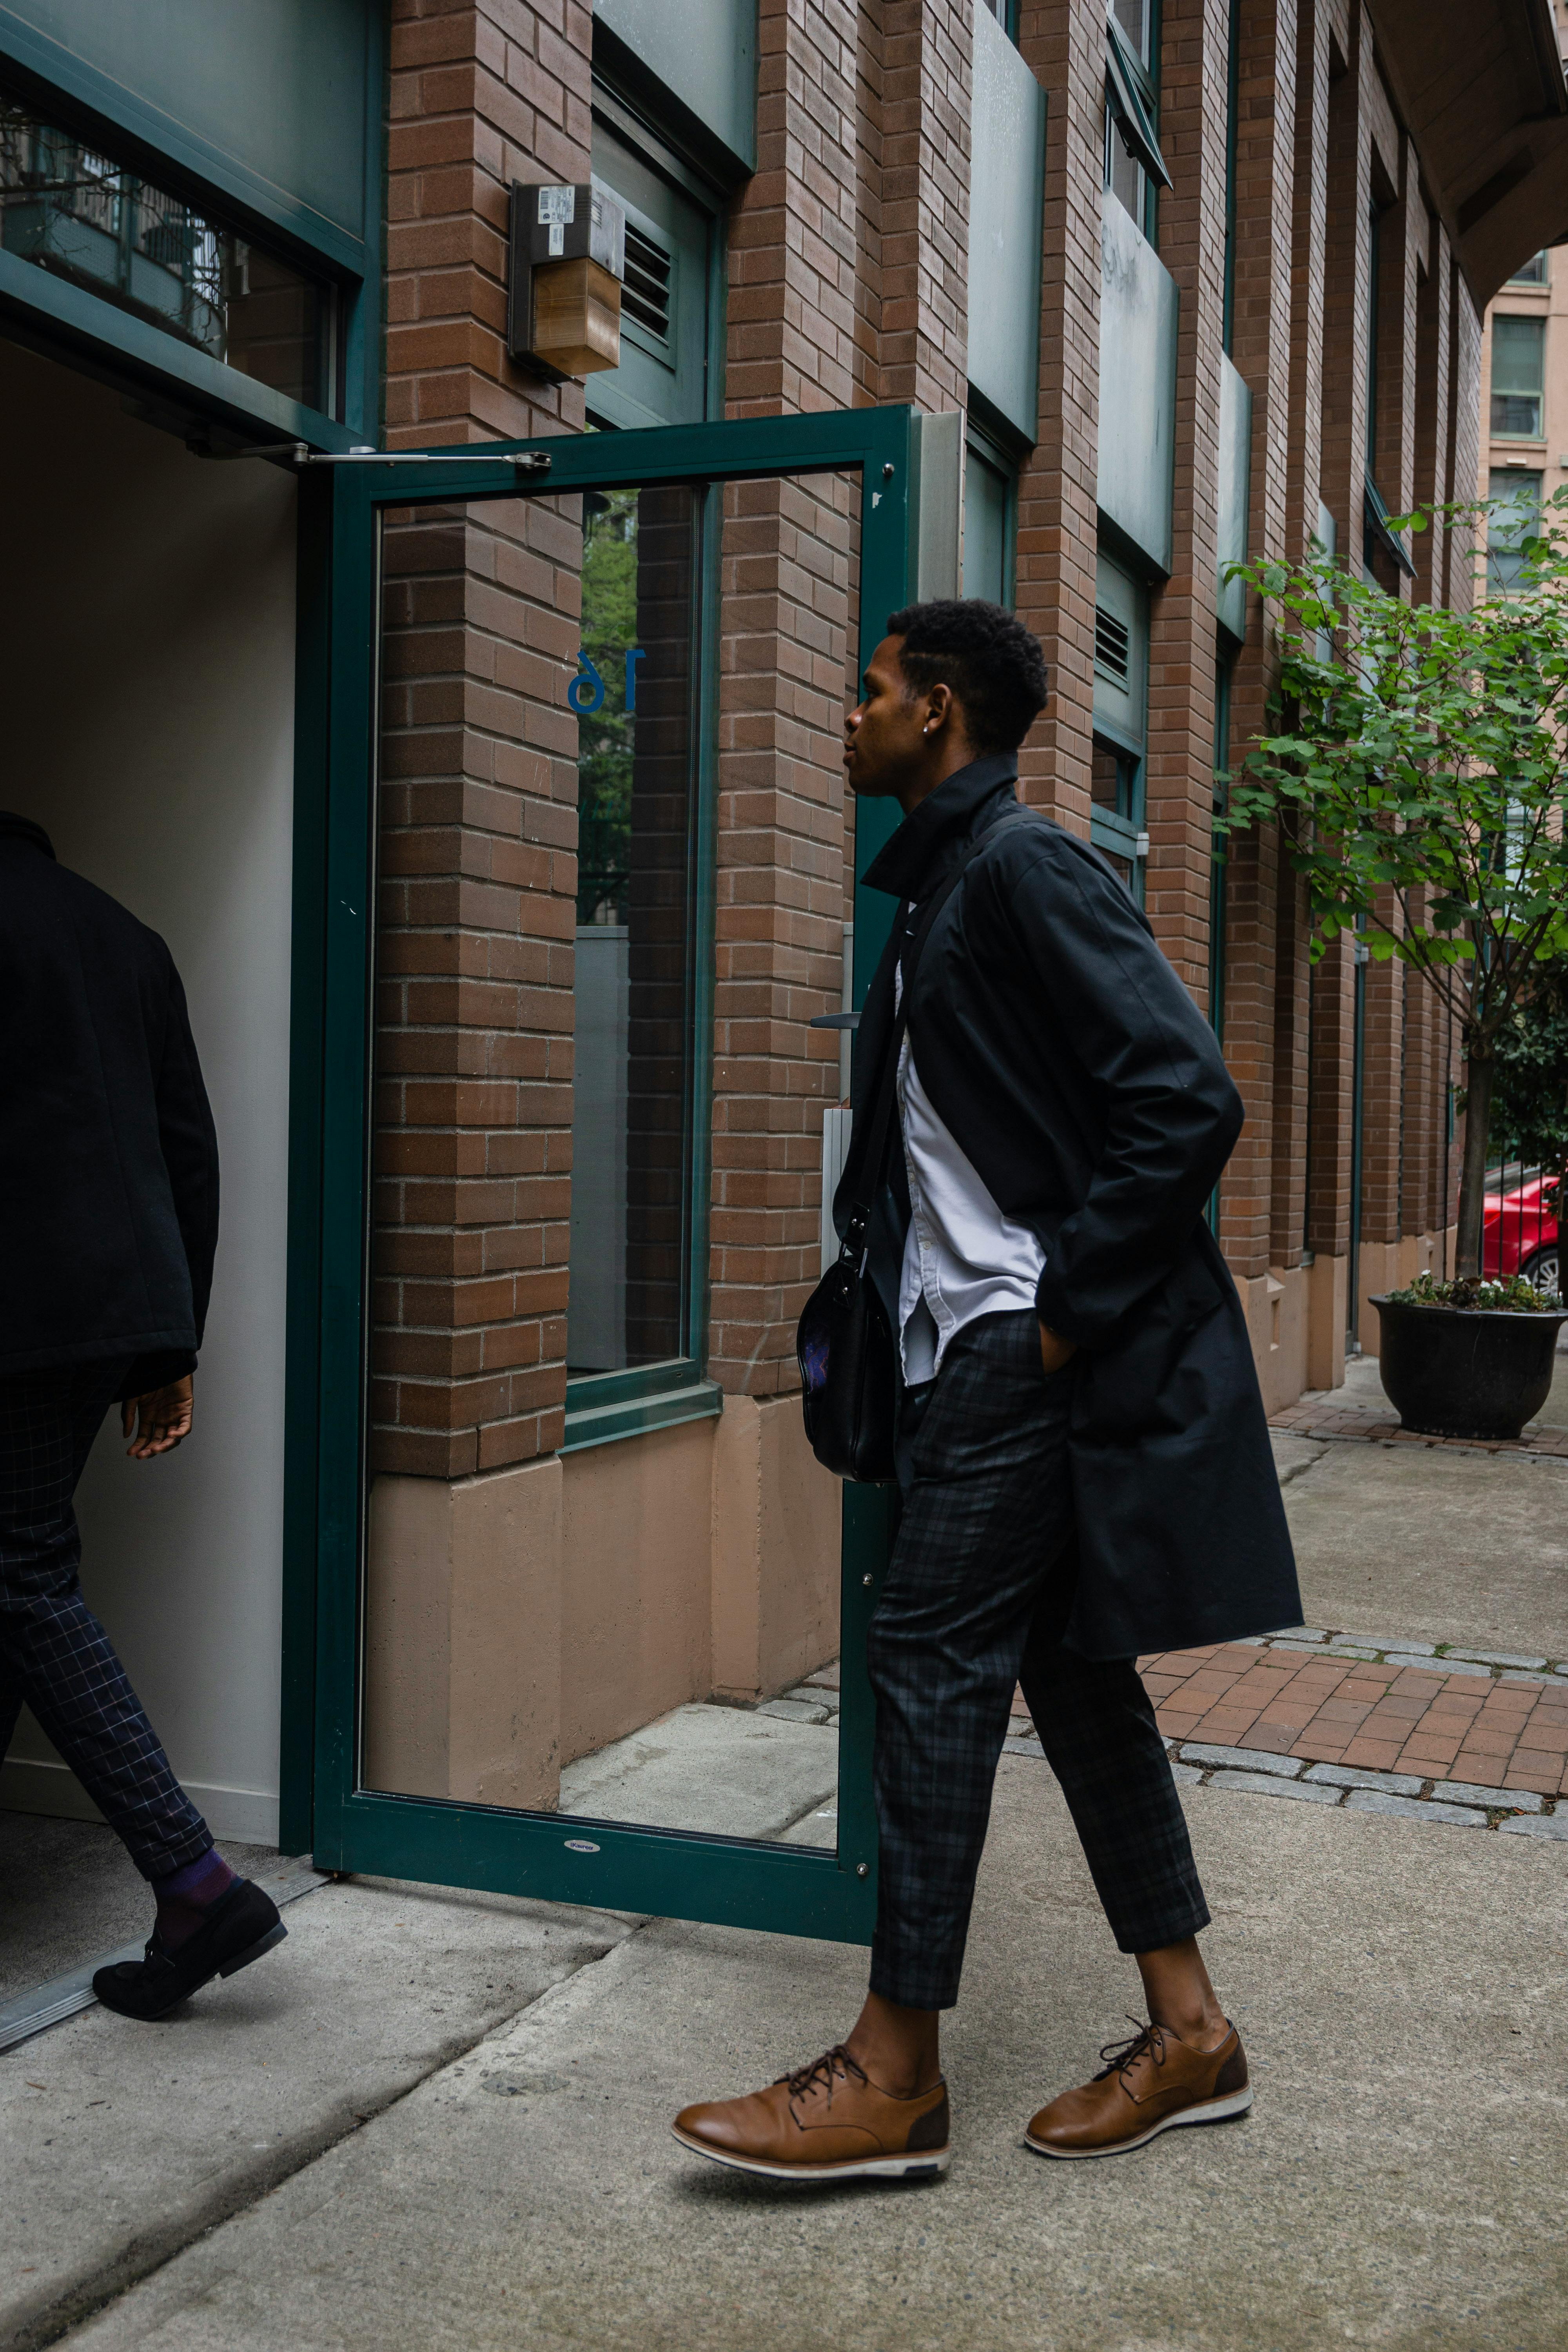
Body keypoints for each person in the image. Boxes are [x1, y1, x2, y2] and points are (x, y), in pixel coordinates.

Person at [672, 601, 1301, 2178]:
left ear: (937, 712)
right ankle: (1192, 2030)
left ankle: (892, 2074)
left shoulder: (1019, 868)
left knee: (929, 1662)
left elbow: (1185, 1095)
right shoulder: (949, 882)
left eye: (868, 691)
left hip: (1013, 1359)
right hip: (971, 1352)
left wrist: (1057, 1319)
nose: (846, 714)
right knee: (1072, 1678)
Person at [0, 809, 285, 2020]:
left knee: (20, 1576)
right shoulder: (126, 935)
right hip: (111, 1310)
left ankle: (194, 1877)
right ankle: (190, 1881)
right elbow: (187, 1149)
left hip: (17, 1307)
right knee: (11, 1569)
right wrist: (170, 1347)